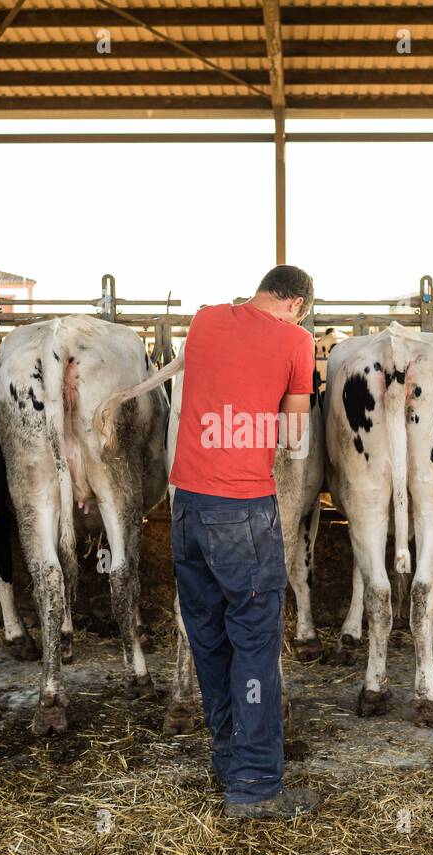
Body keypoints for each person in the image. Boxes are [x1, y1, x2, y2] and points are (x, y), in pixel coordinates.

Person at [169, 265, 322, 819]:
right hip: (243, 511)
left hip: (186, 506)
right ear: (298, 305)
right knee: (255, 640)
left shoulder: (205, 321)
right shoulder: (297, 341)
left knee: (209, 637)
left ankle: (229, 755)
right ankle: (256, 785)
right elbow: (295, 438)